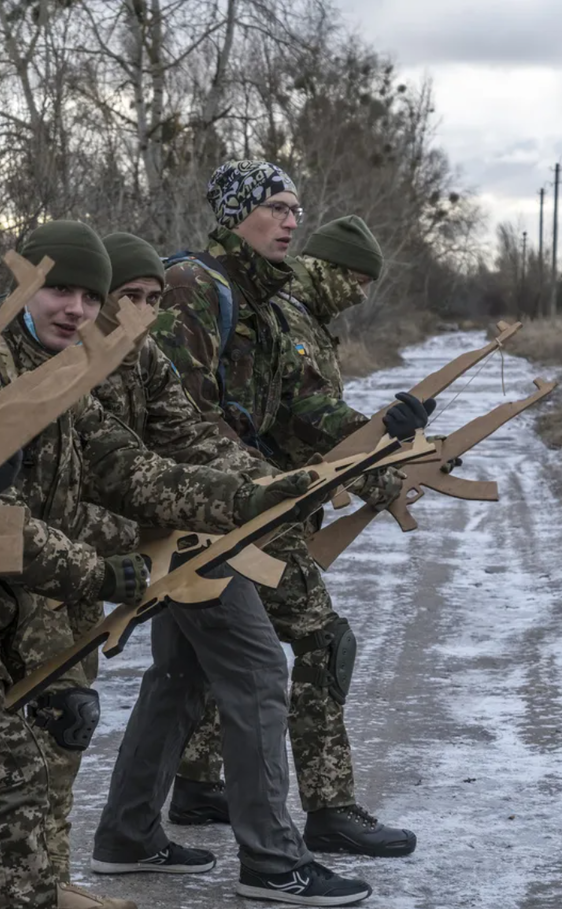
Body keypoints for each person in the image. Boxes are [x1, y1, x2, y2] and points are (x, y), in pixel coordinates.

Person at [0, 219, 314, 909]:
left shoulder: (66, 371)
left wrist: (250, 497)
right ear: (25, 284)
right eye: (59, 291)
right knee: (10, 782)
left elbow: (130, 467)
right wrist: (98, 573)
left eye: (89, 295)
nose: (75, 309)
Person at [154, 163, 423, 865]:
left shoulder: (261, 297)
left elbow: (298, 410)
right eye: (276, 207)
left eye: (296, 209)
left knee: (187, 670)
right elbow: (183, 419)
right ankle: (325, 812)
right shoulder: (201, 287)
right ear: (239, 213)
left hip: (249, 499)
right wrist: (293, 481)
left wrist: (382, 444)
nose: (291, 220)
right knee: (320, 638)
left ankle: (171, 800)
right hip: (226, 506)